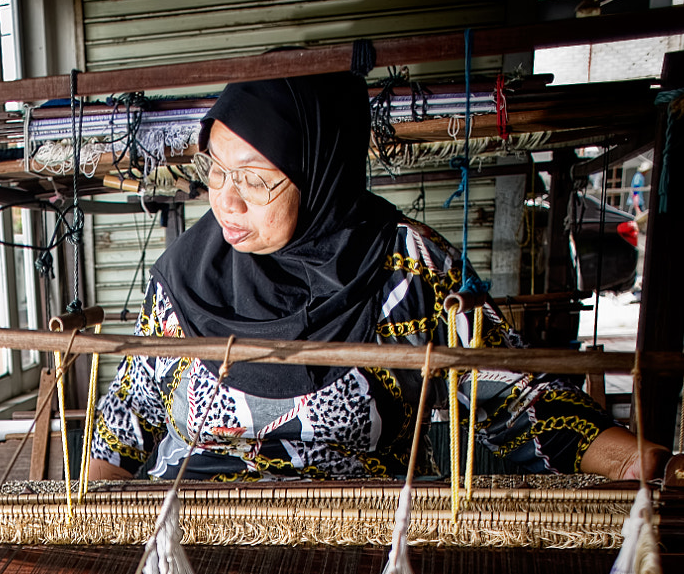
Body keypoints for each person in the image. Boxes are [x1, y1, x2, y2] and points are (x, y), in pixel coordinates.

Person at [87, 73, 665, 485]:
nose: (227, 202)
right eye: (215, 172)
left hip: (356, 551)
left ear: (322, 171)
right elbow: (129, 416)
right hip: (189, 545)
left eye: (256, 179)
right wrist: (91, 531)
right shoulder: (186, 276)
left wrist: (631, 463)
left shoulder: (407, 267)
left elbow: (512, 398)